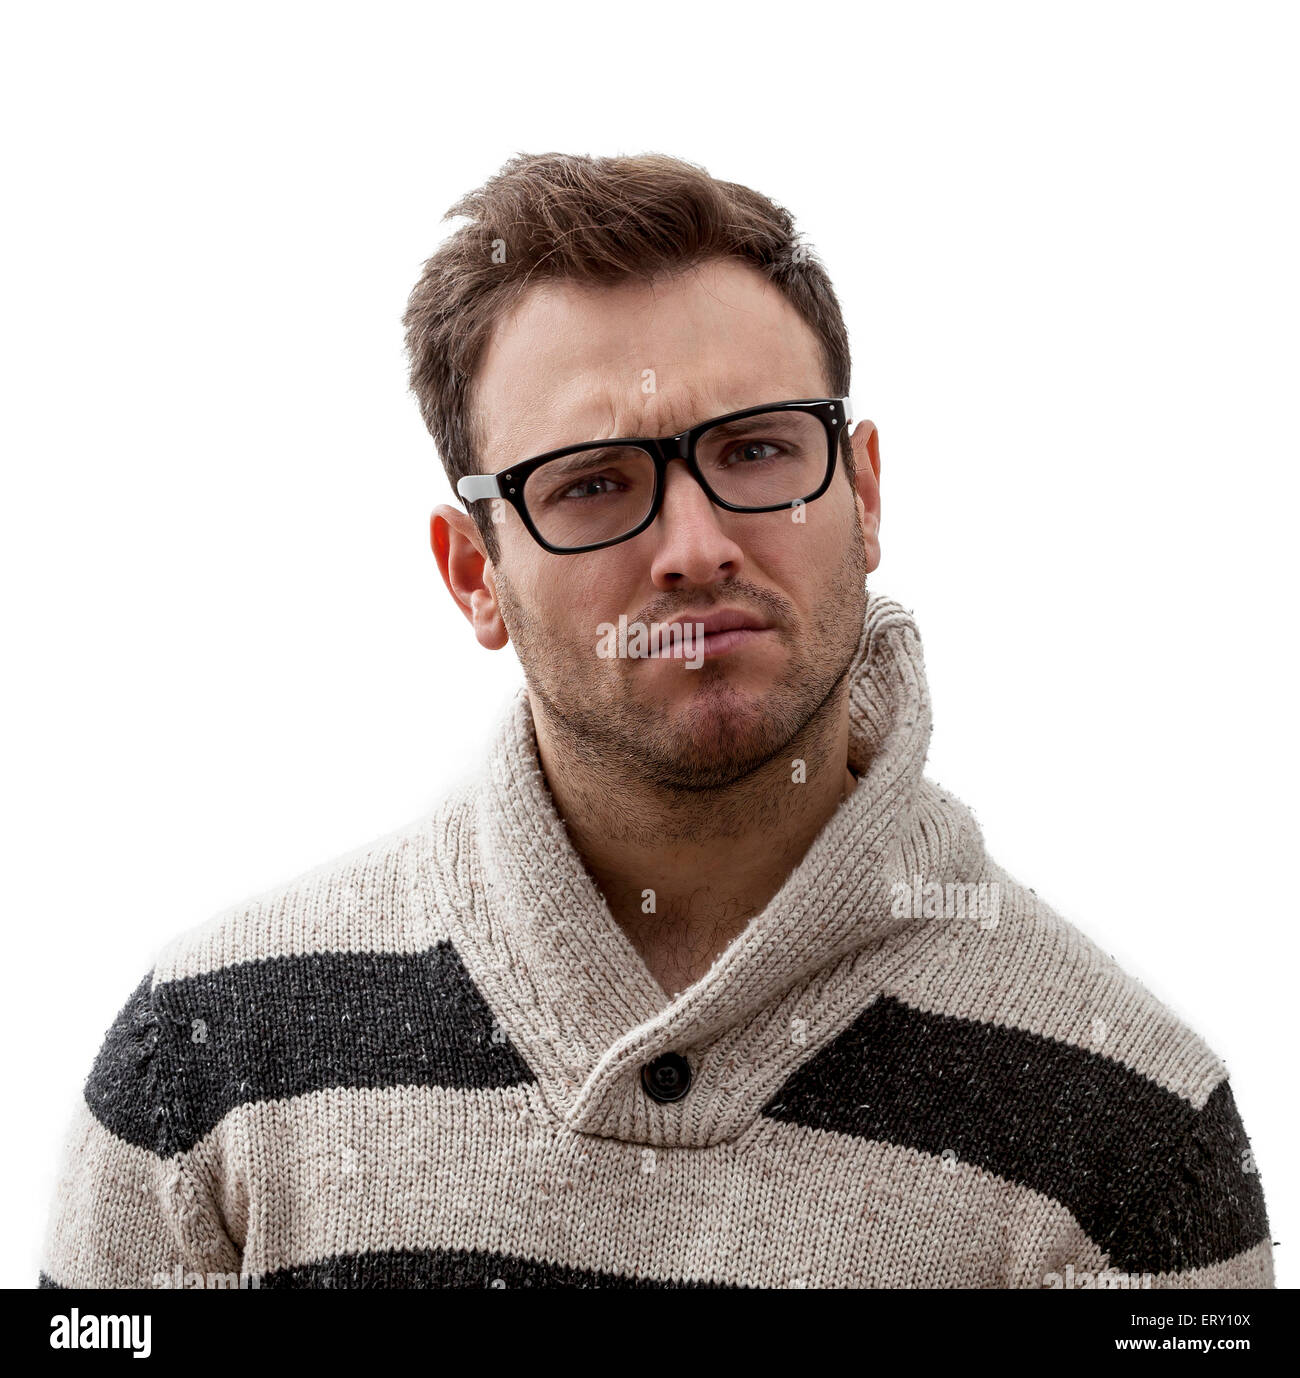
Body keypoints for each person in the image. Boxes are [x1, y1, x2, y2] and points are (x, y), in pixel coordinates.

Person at [40, 152, 1273, 1289]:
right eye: (592, 483)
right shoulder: (207, 1068)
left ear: (865, 493)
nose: (694, 547)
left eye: (753, 450)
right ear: (473, 573)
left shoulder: (1133, 1133)